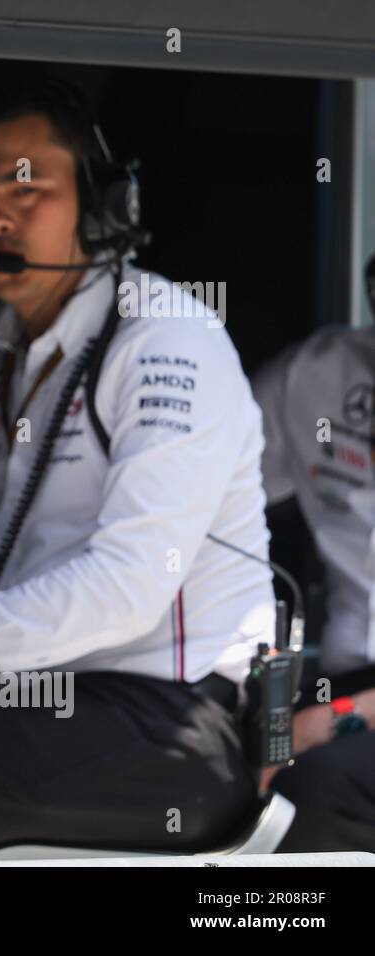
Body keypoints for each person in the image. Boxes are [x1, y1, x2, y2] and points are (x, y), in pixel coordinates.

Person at [0, 80, 272, 860]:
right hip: (37, 699)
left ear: (101, 203)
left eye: (26, 187)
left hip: (171, 720)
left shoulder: (167, 339)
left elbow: (128, 589)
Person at [251, 261, 375, 852]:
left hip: (352, 711)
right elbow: (202, 494)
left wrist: (320, 725)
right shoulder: (316, 377)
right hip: (348, 670)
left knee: (321, 787)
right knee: (209, 756)